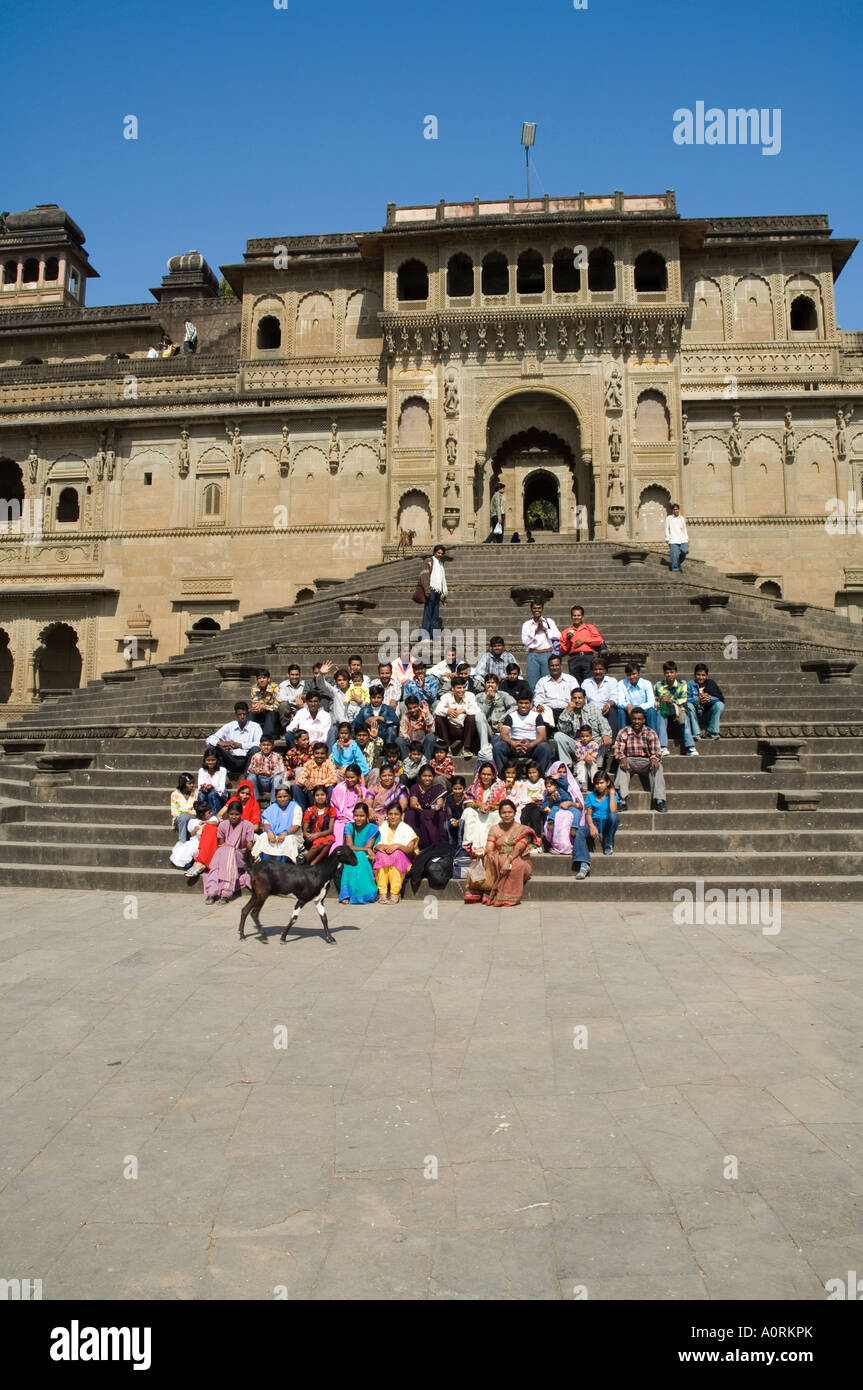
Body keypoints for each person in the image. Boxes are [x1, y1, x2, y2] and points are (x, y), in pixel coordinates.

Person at [466, 800, 540, 906]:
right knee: (486, 859)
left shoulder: (522, 829)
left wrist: (508, 860)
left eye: (510, 812)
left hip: (517, 858)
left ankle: (507, 897)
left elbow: (518, 849)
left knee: (516, 866)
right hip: (498, 857)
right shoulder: (494, 829)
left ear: (514, 813)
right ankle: (481, 891)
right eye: (504, 813)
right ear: (500, 814)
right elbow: (490, 847)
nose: (507, 815)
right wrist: (483, 851)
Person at [201, 799, 255, 904]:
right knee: (223, 852)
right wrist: (230, 848)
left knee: (228, 850)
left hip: (241, 857)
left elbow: (248, 849)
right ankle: (212, 892)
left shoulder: (248, 825)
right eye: (231, 814)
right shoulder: (223, 825)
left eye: (237, 814)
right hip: (226, 855)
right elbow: (221, 844)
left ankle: (226, 892)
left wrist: (233, 848)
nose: (234, 817)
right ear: (227, 814)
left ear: (241, 814)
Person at [613, 708, 667, 812]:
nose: (637, 721)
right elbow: (618, 750)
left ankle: (659, 800)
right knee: (621, 766)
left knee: (658, 767)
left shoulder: (651, 732)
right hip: (630, 761)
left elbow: (656, 751)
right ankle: (622, 799)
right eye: (634, 719)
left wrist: (654, 759)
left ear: (644, 720)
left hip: (646, 761)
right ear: (631, 719)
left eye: (639, 719)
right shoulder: (624, 732)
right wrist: (622, 758)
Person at [554, 688, 612, 770]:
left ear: (585, 699)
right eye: (574, 698)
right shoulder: (567, 711)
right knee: (558, 736)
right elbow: (562, 730)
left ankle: (598, 766)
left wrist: (606, 735)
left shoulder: (593, 709)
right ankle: (567, 766)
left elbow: (604, 724)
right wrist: (567, 713)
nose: (577, 701)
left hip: (593, 743)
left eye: (580, 698)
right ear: (571, 699)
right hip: (577, 744)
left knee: (605, 738)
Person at [373, 803, 419, 903]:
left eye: (396, 814)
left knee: (397, 855)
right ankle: (382, 893)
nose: (393, 817)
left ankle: (395, 893)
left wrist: (398, 846)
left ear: (401, 815)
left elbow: (410, 850)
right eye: (390, 814)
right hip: (385, 859)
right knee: (381, 856)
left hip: (404, 861)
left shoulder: (407, 829)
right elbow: (374, 845)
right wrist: (379, 847)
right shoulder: (382, 827)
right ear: (387, 815)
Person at [496, 695, 553, 774]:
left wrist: (531, 744)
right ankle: (502, 776)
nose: (523, 706)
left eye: (526, 703)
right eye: (521, 703)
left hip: (532, 746)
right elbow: (503, 735)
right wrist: (514, 743)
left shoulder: (536, 715)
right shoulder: (511, 715)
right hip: (514, 745)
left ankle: (540, 776)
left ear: (530, 704)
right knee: (499, 746)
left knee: (545, 747)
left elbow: (542, 736)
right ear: (517, 703)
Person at [206, 702, 262, 779]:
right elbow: (209, 739)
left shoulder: (255, 726)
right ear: (236, 714)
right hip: (231, 759)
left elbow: (259, 743)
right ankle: (222, 776)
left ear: (248, 714)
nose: (242, 717)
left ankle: (247, 777)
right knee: (214, 747)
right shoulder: (229, 726)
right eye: (239, 714)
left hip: (247, 760)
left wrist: (241, 745)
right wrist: (221, 743)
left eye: (244, 714)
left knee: (256, 749)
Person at [461, 761, 507, 854]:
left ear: (494, 775)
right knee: (468, 812)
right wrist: (478, 805)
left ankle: (493, 843)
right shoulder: (474, 787)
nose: (486, 777)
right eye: (484, 774)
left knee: (498, 816)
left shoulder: (499, 787)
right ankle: (468, 844)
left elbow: (503, 805)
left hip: (491, 814)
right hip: (478, 813)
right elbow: (467, 803)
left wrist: (489, 807)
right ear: (479, 775)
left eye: (489, 774)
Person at [340, 803, 381, 904]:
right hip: (354, 854)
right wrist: (366, 850)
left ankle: (364, 893)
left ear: (367, 816)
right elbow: (349, 847)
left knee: (360, 856)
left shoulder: (372, 828)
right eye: (356, 816)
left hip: (365, 857)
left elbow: (369, 846)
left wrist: (367, 850)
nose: (358, 818)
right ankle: (347, 894)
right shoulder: (349, 826)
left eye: (362, 816)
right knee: (352, 857)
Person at [542, 762, 585, 857]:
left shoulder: (570, 786)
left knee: (572, 815)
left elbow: (581, 805)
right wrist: (551, 801)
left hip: (570, 809)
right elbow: (546, 805)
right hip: (556, 809)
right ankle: (557, 846)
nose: (562, 774)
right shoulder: (549, 788)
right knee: (557, 816)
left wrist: (570, 803)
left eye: (564, 772)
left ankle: (570, 844)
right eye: (559, 772)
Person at [654, 661, 696, 756]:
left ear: (676, 673)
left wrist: (671, 701)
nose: (669, 675)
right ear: (664, 673)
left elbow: (683, 699)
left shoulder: (682, 684)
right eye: (667, 672)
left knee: (684, 714)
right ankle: (663, 747)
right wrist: (660, 700)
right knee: (660, 713)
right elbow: (654, 699)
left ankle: (690, 747)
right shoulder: (658, 685)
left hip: (677, 709)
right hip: (664, 709)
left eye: (672, 672)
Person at [521, 600, 562, 694]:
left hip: (547, 654)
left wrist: (545, 629)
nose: (537, 610)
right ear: (531, 609)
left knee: (548, 680)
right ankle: (535, 704)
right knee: (533, 681)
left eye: (539, 608)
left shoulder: (549, 622)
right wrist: (535, 631)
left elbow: (558, 636)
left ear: (542, 609)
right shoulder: (527, 624)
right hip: (533, 654)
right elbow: (525, 641)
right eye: (534, 608)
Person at [559, 605, 607, 683]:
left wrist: (584, 640)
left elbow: (599, 640)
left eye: (578, 615)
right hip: (574, 658)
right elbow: (563, 650)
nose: (576, 617)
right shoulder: (566, 631)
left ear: (582, 617)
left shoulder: (590, 628)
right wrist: (568, 640)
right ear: (571, 617)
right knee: (575, 683)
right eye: (574, 615)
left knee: (589, 682)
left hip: (588, 657)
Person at [475, 674, 516, 764]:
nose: (490, 685)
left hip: (500, 729)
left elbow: (514, 707)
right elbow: (481, 714)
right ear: (484, 684)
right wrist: (488, 700)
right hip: (486, 730)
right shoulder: (479, 697)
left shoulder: (503, 695)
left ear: (497, 685)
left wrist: (502, 720)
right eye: (488, 682)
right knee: (479, 715)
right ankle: (485, 750)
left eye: (493, 683)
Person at [405, 764, 448, 848]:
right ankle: (415, 844)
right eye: (424, 776)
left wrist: (435, 807)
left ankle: (435, 845)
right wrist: (415, 805)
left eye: (430, 776)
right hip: (419, 811)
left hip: (433, 812)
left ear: (433, 777)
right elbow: (413, 801)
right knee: (410, 814)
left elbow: (440, 803)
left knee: (438, 814)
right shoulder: (415, 787)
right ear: (420, 776)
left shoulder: (438, 788)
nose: (427, 778)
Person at [434, 676, 479, 755]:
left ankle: (466, 748)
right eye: (459, 688)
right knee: (438, 718)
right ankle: (447, 748)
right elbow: (437, 710)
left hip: (466, 729)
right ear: (453, 689)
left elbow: (477, 710)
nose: (462, 690)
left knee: (471, 717)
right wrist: (447, 711)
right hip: (451, 729)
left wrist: (465, 710)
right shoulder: (446, 697)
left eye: (464, 687)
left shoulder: (470, 696)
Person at [255, 787, 302, 862]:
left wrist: (285, 833)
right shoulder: (272, 808)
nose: (282, 799)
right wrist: (269, 832)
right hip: (275, 835)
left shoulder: (295, 807)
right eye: (279, 797)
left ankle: (284, 863)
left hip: (291, 835)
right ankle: (263, 862)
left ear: (289, 796)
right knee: (263, 836)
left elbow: (296, 826)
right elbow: (266, 823)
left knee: (288, 840)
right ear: (276, 798)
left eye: (285, 796)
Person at [328, 763, 368, 851]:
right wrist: (339, 815)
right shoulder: (339, 788)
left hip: (355, 818)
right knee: (340, 826)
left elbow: (361, 809)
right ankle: (336, 855)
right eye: (347, 777)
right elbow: (333, 806)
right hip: (340, 818)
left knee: (349, 826)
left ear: (358, 777)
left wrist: (360, 794)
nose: (349, 780)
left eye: (352, 777)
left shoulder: (364, 790)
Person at [533, 655, 580, 729]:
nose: (554, 667)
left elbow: (577, 695)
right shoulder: (542, 681)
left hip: (567, 710)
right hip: (549, 712)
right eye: (552, 666)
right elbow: (538, 698)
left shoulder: (571, 680)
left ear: (561, 666)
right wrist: (539, 705)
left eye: (557, 665)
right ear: (548, 667)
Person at [580, 657, 620, 738]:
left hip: (605, 709)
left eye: (601, 669)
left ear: (605, 670)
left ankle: (612, 741)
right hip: (590, 711)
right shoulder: (586, 682)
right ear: (592, 670)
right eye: (595, 669)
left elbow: (614, 698)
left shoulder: (612, 681)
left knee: (612, 711)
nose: (598, 672)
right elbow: (583, 699)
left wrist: (608, 705)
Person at [583, 770, 620, 857]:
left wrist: (611, 795)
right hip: (595, 821)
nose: (599, 786)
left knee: (614, 817)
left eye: (601, 783)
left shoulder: (613, 794)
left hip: (608, 821)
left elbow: (613, 810)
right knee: (582, 831)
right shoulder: (590, 796)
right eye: (596, 783)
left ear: (607, 783)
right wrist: (592, 826)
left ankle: (608, 844)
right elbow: (588, 814)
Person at [293, 740, 338, 811]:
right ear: (313, 754)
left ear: (326, 754)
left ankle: (327, 810)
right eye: (317, 753)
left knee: (331, 788)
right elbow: (300, 777)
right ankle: (303, 812)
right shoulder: (308, 764)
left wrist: (315, 785)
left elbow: (333, 778)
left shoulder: (329, 764)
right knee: (296, 788)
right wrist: (306, 782)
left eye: (322, 753)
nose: (319, 756)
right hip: (309, 792)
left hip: (323, 793)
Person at [616, 661, 658, 733]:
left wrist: (639, 707)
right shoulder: (621, 684)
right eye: (629, 674)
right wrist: (627, 705)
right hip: (628, 711)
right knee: (621, 712)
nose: (632, 677)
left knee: (651, 711)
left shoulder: (646, 683)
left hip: (643, 711)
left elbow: (651, 702)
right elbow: (619, 701)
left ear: (638, 673)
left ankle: (653, 737)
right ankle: (622, 737)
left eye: (634, 674)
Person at [686, 664, 725, 741]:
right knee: (688, 705)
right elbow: (686, 699)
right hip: (695, 714)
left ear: (707, 676)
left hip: (707, 714)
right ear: (694, 675)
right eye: (698, 675)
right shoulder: (690, 685)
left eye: (703, 675)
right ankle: (696, 733)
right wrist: (698, 700)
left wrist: (709, 698)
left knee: (719, 705)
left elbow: (720, 698)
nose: (701, 677)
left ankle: (712, 732)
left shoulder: (711, 684)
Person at [170, 799, 213, 869]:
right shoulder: (194, 822)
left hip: (203, 844)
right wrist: (195, 830)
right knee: (188, 850)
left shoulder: (209, 821)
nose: (211, 813)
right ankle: (188, 862)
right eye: (209, 812)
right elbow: (191, 834)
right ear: (202, 814)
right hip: (195, 841)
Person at [417, 543, 448, 640]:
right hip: (430, 590)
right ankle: (425, 636)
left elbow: (442, 579)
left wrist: (443, 596)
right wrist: (427, 589)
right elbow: (424, 575)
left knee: (435, 614)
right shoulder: (428, 561)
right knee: (428, 613)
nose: (440, 555)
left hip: (438, 591)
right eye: (438, 553)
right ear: (434, 552)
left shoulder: (440, 564)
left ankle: (434, 636)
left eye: (442, 553)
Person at [246, 735, 286, 805]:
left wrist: (267, 773)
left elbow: (281, 770)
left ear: (273, 746)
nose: (266, 747)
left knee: (278, 778)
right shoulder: (256, 756)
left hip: (271, 781)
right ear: (260, 746)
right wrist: (256, 771)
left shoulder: (277, 756)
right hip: (259, 782)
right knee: (251, 777)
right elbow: (249, 769)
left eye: (268, 745)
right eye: (264, 745)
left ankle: (273, 802)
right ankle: (255, 802)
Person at [398, 694, 436, 762]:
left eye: (414, 707)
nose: (412, 710)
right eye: (410, 708)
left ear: (418, 705)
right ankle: (407, 763)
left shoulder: (425, 714)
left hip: (424, 745)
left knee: (431, 737)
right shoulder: (405, 717)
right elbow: (402, 733)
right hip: (411, 745)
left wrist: (427, 715)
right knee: (399, 740)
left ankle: (425, 763)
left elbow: (432, 730)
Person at [302, 786, 335, 864]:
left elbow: (330, 830)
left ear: (326, 795)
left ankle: (310, 863)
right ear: (314, 797)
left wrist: (318, 835)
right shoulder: (309, 810)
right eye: (317, 795)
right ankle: (308, 862)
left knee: (329, 840)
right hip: (311, 838)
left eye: (322, 795)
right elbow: (304, 831)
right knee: (327, 841)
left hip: (325, 836)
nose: (320, 797)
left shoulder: (331, 810)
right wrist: (309, 836)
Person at [513, 762, 546, 838]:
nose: (532, 775)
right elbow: (523, 797)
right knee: (523, 817)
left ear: (539, 772)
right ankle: (524, 838)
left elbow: (543, 795)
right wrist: (533, 799)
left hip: (538, 805)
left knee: (536, 816)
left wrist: (535, 799)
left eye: (534, 772)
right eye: (530, 773)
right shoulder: (526, 783)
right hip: (527, 805)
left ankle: (537, 839)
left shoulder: (542, 782)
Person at [249, 668, 281, 741]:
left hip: (273, 713)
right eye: (259, 678)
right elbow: (255, 703)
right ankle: (249, 735)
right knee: (251, 713)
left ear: (268, 679)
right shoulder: (254, 689)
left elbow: (277, 706)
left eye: (264, 678)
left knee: (271, 714)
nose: (262, 680)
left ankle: (267, 738)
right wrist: (256, 708)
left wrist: (264, 707)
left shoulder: (275, 687)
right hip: (261, 712)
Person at [277, 664, 310, 736]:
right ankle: (285, 730)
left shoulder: (305, 684)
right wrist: (295, 699)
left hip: (301, 709)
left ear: (300, 675)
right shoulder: (283, 684)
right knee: (283, 705)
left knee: (309, 704)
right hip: (289, 710)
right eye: (292, 674)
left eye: (296, 674)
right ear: (288, 675)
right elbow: (281, 698)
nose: (294, 677)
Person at [196, 749, 228, 813]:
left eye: (213, 760)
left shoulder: (222, 770)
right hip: (205, 794)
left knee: (212, 793)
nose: (210, 762)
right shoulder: (201, 770)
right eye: (208, 760)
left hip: (219, 796)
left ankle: (214, 816)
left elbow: (221, 788)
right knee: (201, 795)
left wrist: (212, 787)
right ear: (205, 760)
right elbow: (200, 786)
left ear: (217, 760)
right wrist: (203, 787)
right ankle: (202, 815)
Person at [170, 774, 197, 842]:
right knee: (184, 817)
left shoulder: (196, 793)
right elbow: (174, 812)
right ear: (183, 784)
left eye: (193, 783)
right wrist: (187, 814)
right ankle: (182, 843)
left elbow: (198, 807)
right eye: (189, 783)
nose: (192, 785)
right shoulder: (175, 794)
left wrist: (192, 815)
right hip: (180, 819)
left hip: (193, 817)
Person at [665, 502, 689, 572]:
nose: (675, 511)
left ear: (679, 510)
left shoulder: (682, 518)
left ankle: (677, 563)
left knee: (685, 551)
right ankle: (675, 569)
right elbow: (666, 528)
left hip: (682, 539)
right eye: (674, 509)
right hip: (673, 539)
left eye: (677, 509)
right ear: (672, 510)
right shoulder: (669, 518)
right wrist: (667, 538)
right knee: (674, 555)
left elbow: (684, 529)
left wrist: (686, 539)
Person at [445, 776, 467, 843]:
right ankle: (450, 842)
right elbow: (449, 813)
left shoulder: (466, 799)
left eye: (460, 789)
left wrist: (458, 821)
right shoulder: (449, 799)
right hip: (453, 820)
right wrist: (452, 820)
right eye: (455, 789)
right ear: (452, 788)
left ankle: (460, 843)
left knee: (461, 823)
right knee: (445, 825)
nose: (457, 791)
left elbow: (466, 814)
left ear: (464, 788)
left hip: (463, 820)